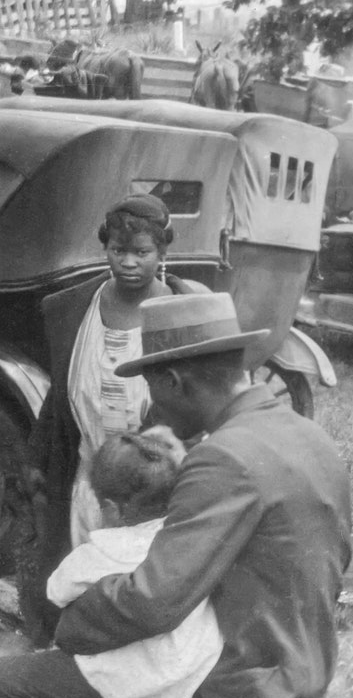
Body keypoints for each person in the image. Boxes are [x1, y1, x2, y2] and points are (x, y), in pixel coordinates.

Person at [0, 292, 352, 698]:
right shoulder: (308, 437)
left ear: (173, 381)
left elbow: (152, 601)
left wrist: (70, 622)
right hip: (297, 670)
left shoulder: (224, 459)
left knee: (7, 689)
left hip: (241, 692)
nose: (150, 408)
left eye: (150, 390)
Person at [12, 194, 207, 645]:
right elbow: (60, 397)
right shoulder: (73, 309)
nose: (128, 263)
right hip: (85, 480)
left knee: (139, 593)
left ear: (163, 254)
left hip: (154, 491)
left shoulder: (181, 314)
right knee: (79, 578)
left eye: (142, 253)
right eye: (118, 251)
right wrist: (38, 461)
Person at [46, 428, 223, 698]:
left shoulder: (103, 552)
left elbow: (56, 590)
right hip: (194, 674)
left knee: (9, 688)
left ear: (112, 509)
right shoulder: (184, 536)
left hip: (148, 688)